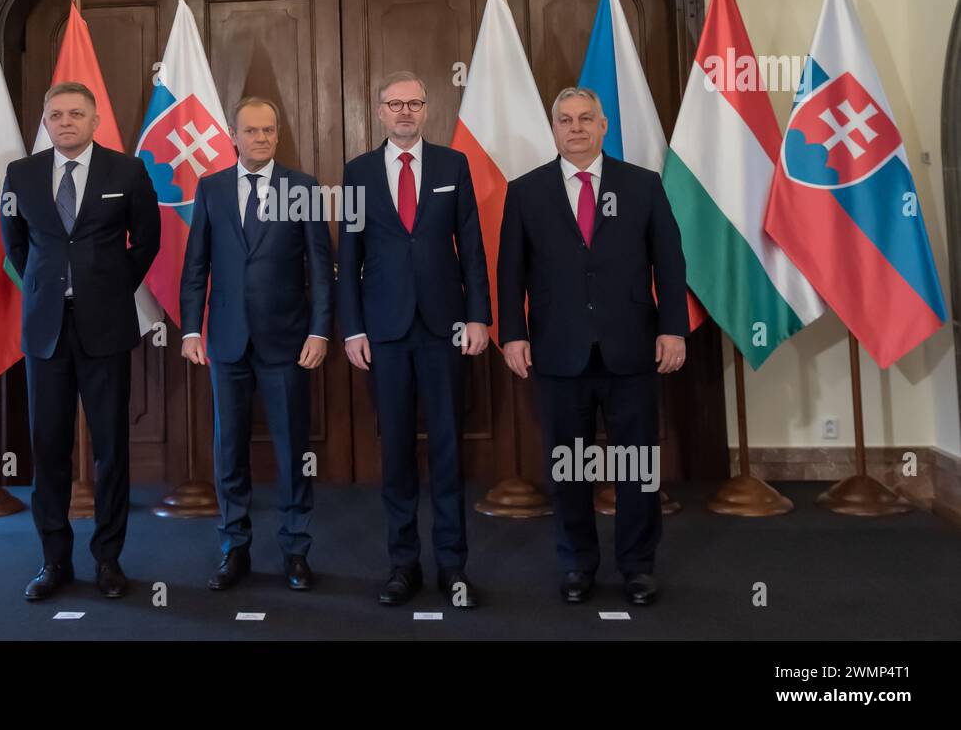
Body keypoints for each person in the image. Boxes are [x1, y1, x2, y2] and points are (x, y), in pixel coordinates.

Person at [497, 86, 687, 607]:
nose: (576, 127)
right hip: (558, 352)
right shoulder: (526, 191)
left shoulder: (642, 185)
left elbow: (669, 263)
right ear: (553, 129)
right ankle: (577, 565)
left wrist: (673, 328)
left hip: (632, 351)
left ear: (604, 126)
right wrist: (512, 333)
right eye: (565, 119)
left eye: (586, 119)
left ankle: (637, 568)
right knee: (569, 467)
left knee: (636, 467)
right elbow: (509, 273)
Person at [0, 81, 161, 601]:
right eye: (56, 115)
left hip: (106, 327)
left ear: (95, 121)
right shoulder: (20, 175)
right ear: (45, 123)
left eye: (76, 114)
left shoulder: (127, 171)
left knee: (111, 448)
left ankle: (109, 560)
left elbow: (149, 239)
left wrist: (110, 286)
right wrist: (51, 289)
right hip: (46, 330)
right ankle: (54, 561)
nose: (65, 122)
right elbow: (16, 246)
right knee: (48, 448)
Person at [338, 71, 490, 608]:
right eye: (395, 104)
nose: (405, 112)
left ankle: (453, 567)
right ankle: (403, 565)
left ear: (427, 110)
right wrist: (352, 327)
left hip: (446, 329)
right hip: (383, 333)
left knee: (447, 449)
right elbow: (348, 259)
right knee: (397, 450)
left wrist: (478, 318)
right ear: (379, 111)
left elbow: (470, 246)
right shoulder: (356, 171)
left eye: (415, 103)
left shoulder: (453, 165)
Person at [179, 96, 333, 592]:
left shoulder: (303, 188)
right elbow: (196, 266)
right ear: (233, 135)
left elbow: (321, 268)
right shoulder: (212, 189)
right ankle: (233, 549)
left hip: (287, 341)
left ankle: (295, 551)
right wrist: (189, 329)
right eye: (251, 131)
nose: (261, 138)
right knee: (229, 450)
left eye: (269, 131)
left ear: (277, 135)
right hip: (225, 342)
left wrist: (319, 329)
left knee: (292, 449)